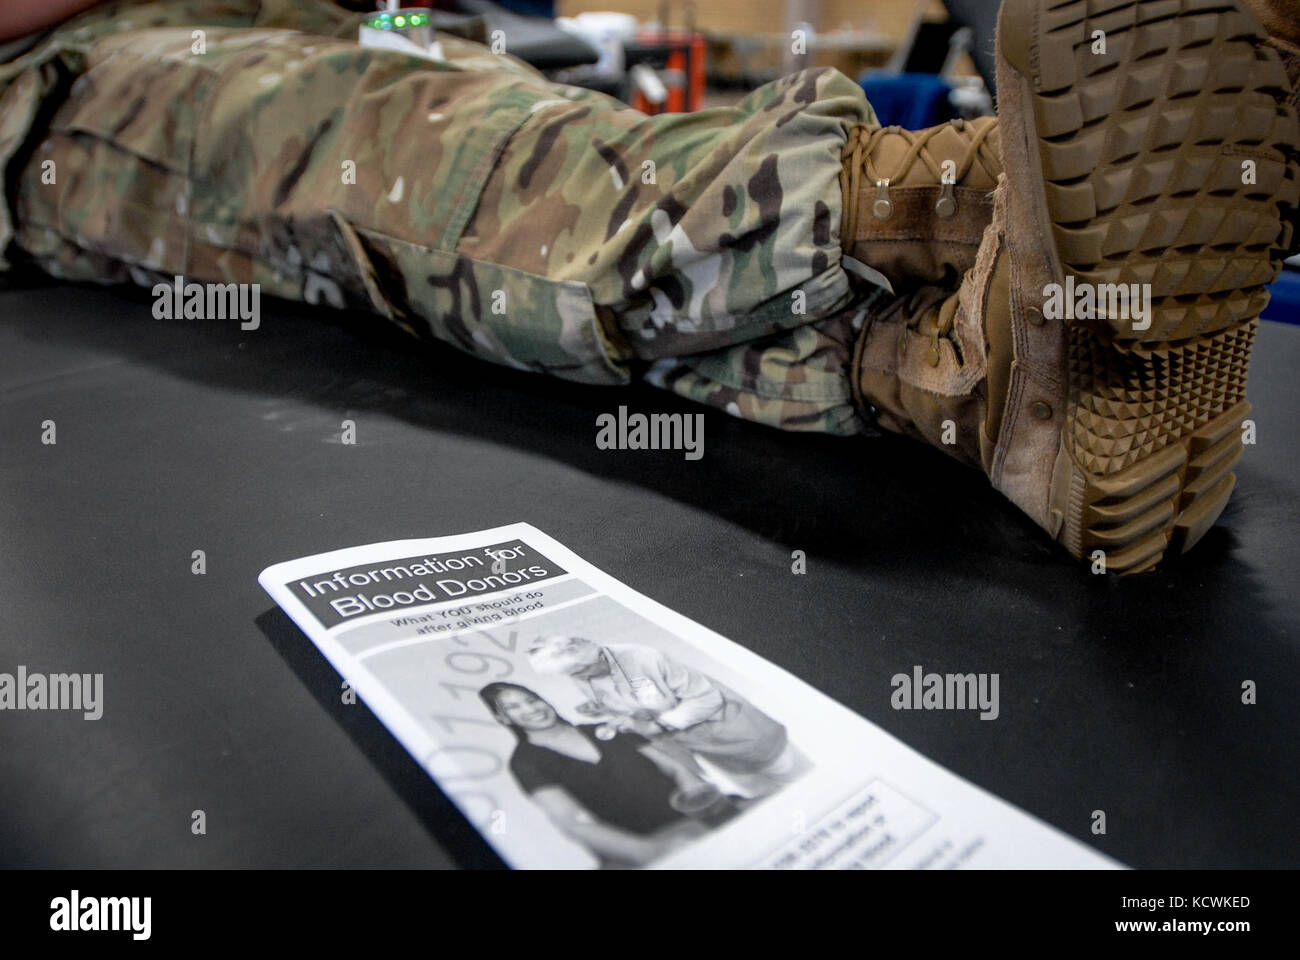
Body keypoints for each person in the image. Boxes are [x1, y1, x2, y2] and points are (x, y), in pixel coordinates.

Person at [1, 0, 1298, 574]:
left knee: (525, 152)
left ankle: (954, 372)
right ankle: (941, 195)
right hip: (62, 73)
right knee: (417, 160)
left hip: (304, 17)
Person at [527, 634, 811, 797]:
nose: (576, 679)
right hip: (702, 746)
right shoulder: (578, 673)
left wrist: (660, 724)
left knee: (802, 782)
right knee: (766, 797)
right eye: (570, 675)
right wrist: (606, 709)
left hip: (736, 730)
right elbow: (639, 703)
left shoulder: (643, 657)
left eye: (580, 671)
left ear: (599, 655)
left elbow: (706, 698)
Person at [478, 681, 719, 867]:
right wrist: (647, 851)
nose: (530, 709)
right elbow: (571, 822)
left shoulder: (605, 728)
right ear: (503, 719)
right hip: (641, 847)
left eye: (531, 700)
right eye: (513, 707)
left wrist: (696, 795)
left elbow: (673, 765)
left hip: (691, 822)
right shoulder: (525, 761)